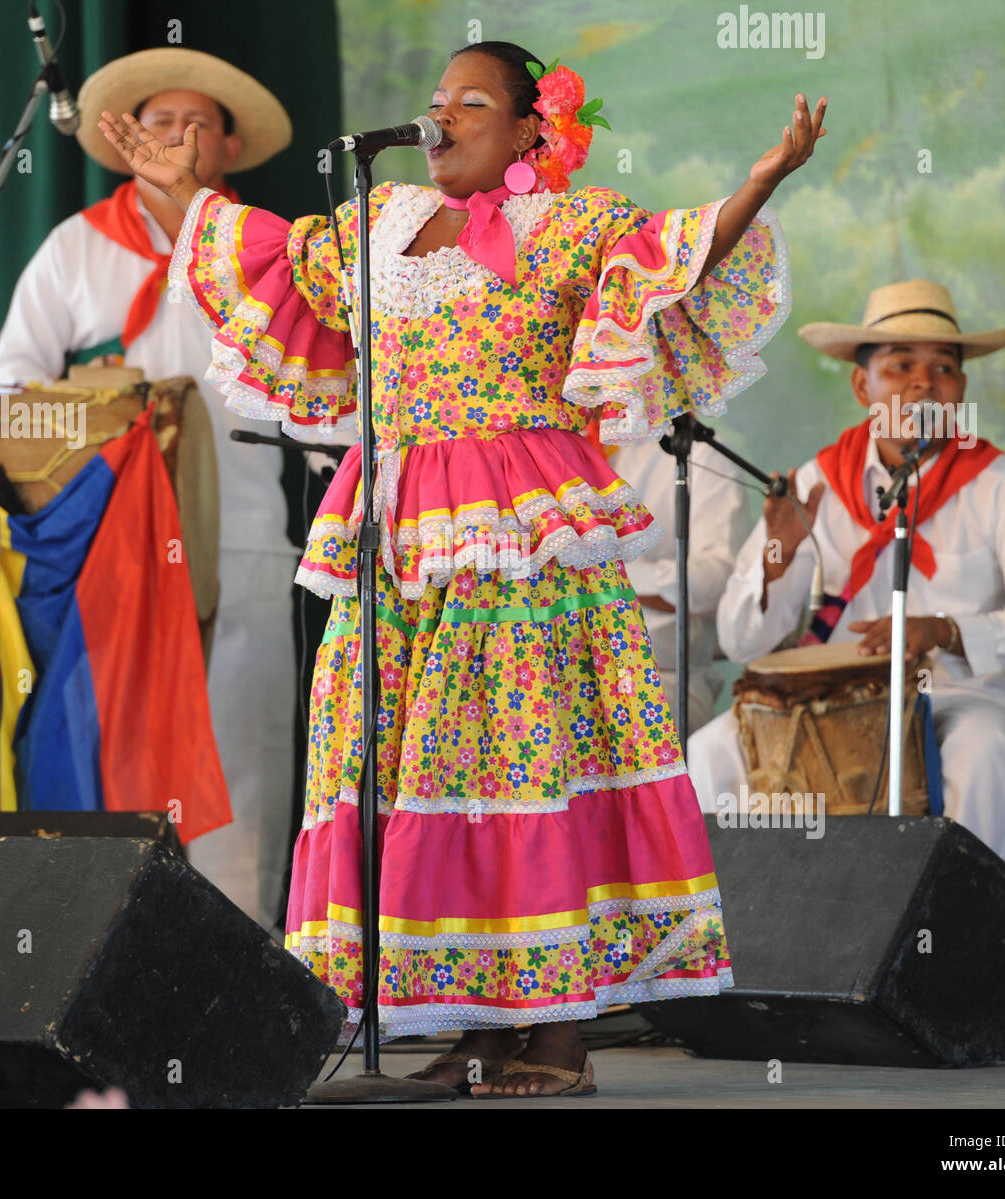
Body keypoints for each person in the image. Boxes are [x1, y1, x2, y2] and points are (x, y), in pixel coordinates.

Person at [101, 41, 826, 1097]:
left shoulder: (574, 226)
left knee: (515, 765)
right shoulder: (376, 222)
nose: (440, 117)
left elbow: (681, 254)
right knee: (403, 765)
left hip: (521, 533)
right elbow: (274, 258)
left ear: (532, 130)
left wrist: (761, 180)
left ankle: (561, 1036)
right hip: (396, 528)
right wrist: (190, 195)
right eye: (434, 102)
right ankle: (474, 1021)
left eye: (470, 103)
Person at [0, 49, 300, 932]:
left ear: (232, 146)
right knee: (120, 763)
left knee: (243, 761)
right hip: (110, 553)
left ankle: (239, 986)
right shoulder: (77, 248)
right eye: (159, 124)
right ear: (129, 143)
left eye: (196, 124)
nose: (177, 138)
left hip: (241, 537)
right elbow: (12, 392)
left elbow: (323, 395)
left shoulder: (269, 250)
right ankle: (110, 969)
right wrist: (98, 399)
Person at [688, 280, 1005, 866]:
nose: (924, 382)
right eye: (901, 366)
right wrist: (778, 552)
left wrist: (945, 630)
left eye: (943, 368)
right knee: (710, 749)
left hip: (961, 699)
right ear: (862, 384)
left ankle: (956, 942)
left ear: (961, 389)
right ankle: (744, 940)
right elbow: (743, 640)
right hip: (832, 701)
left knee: (984, 754)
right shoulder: (817, 482)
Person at [609, 436, 749, 733]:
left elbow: (717, 580)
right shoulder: (544, 456)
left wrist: (603, 577)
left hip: (660, 677)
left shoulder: (701, 454)